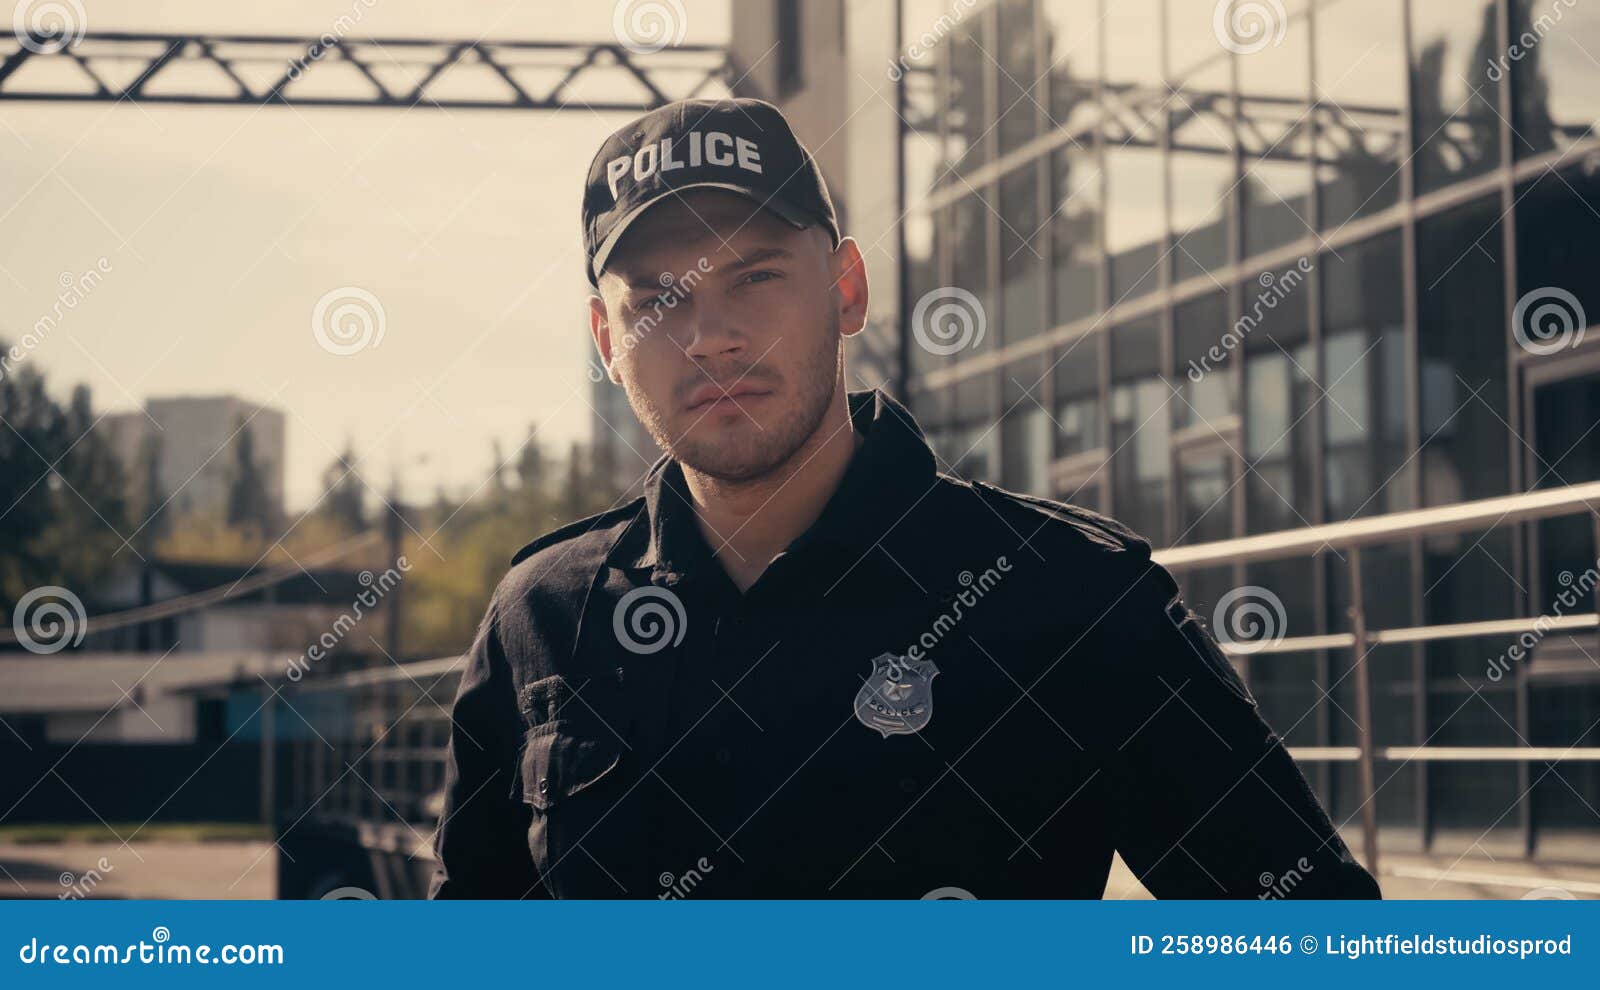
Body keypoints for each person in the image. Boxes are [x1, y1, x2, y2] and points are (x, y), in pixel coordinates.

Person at [428, 97, 1380, 899]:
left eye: (754, 277)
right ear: (606, 337)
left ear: (847, 290)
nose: (711, 336)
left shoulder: (1070, 602)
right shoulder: (543, 618)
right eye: (658, 300)